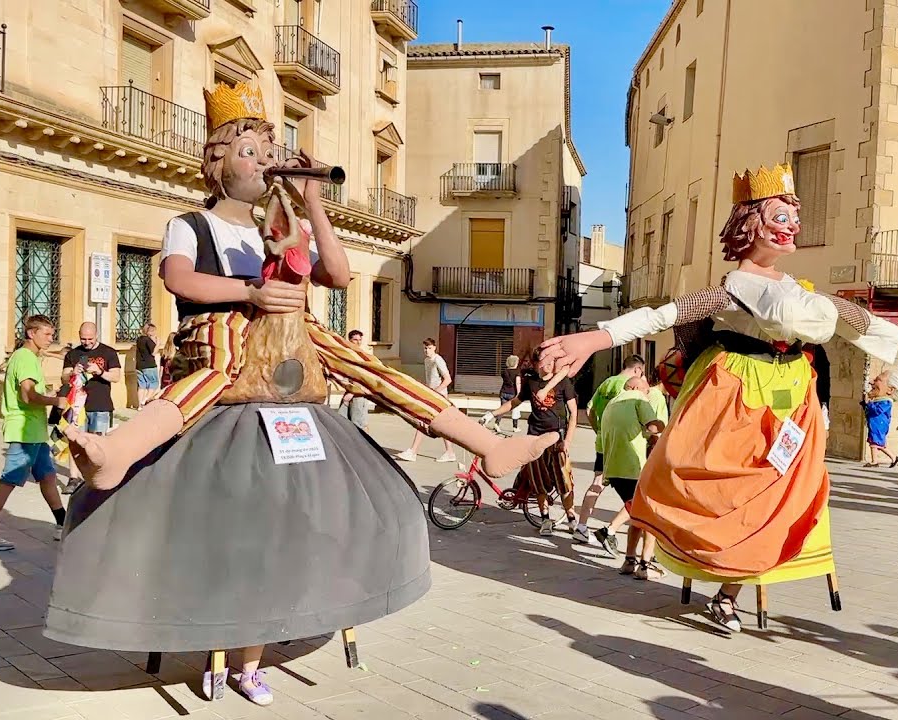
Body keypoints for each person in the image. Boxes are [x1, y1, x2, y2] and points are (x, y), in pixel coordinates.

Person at [47, 80, 553, 707]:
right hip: (221, 334)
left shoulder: (276, 230)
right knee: (224, 361)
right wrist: (249, 295)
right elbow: (179, 279)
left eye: (269, 151)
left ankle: (487, 445)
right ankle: (119, 449)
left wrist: (314, 205)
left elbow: (337, 275)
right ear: (214, 161)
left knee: (364, 365)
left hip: (286, 341)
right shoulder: (191, 224)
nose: (264, 161)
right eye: (250, 152)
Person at [537, 162, 898, 633]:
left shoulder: (800, 291)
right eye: (781, 216)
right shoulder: (730, 291)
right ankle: (700, 566)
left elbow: (852, 318)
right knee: (725, 490)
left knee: (777, 499)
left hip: (793, 399)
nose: (792, 225)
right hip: (735, 395)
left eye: (795, 217)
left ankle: (727, 597)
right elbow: (663, 314)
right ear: (751, 225)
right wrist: (595, 338)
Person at [0, 315, 68, 550]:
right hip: (24, 430)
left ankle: (64, 524)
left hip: (35, 431)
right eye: (47, 334)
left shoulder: (28, 358)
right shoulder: (26, 358)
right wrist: (55, 400)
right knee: (9, 480)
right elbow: (28, 396)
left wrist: (50, 391)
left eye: (52, 334)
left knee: (48, 476)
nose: (52, 339)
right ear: (32, 333)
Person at [485, 347, 579, 536]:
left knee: (565, 482)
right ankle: (545, 519)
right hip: (535, 438)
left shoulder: (562, 382)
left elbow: (574, 412)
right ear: (537, 363)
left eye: (551, 360)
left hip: (557, 439)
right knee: (539, 482)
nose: (549, 364)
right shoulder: (531, 382)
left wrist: (567, 440)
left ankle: (571, 517)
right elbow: (514, 403)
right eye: (545, 360)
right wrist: (491, 414)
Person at [571, 354, 646, 547]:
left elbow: (589, 410)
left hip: (602, 444)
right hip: (623, 446)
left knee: (597, 483)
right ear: (637, 370)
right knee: (637, 495)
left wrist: (599, 430)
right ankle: (615, 532)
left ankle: (581, 527)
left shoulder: (606, 383)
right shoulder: (631, 386)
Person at [596, 376, 666, 579]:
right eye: (646, 390)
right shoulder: (638, 399)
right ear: (635, 387)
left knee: (637, 514)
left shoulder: (613, 403)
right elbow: (654, 427)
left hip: (613, 468)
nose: (648, 394)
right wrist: (665, 427)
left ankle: (629, 561)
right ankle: (644, 566)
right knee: (650, 515)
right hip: (632, 466)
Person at [60, 322, 122, 492]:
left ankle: (98, 479)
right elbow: (64, 377)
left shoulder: (108, 352)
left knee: (99, 444)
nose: (86, 342)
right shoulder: (74, 354)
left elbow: (116, 377)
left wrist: (100, 371)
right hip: (78, 406)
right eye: (83, 338)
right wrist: (73, 371)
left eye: (90, 338)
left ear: (97, 335)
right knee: (75, 441)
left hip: (100, 404)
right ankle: (74, 478)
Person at [395, 338, 457, 463]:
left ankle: (413, 451)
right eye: (425, 348)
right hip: (432, 397)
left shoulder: (438, 360)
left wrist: (436, 392)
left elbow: (447, 379)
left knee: (423, 422)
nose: (427, 350)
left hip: (439, 398)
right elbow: (431, 379)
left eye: (429, 348)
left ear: (434, 347)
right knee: (433, 424)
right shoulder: (427, 361)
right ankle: (449, 452)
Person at [335, 330, 370, 433]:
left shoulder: (362, 357)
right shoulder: (348, 354)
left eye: (360, 340)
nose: (358, 342)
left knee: (359, 424)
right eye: (355, 340)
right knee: (343, 421)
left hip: (358, 394)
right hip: (350, 392)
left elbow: (361, 377)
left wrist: (353, 392)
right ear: (349, 340)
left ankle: (364, 447)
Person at [862, 370, 897, 468]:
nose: (872, 382)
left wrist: (869, 404)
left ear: (890, 390)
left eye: (878, 380)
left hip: (879, 425)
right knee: (879, 444)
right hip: (875, 423)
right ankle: (893, 457)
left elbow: (878, 411)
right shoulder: (878, 400)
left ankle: (874, 461)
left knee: (874, 442)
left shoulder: (886, 402)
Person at [499, 355, 523, 432]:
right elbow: (518, 383)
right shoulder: (517, 372)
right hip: (513, 393)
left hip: (503, 392)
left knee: (502, 409)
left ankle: (496, 424)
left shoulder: (504, 371)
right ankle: (515, 427)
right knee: (515, 410)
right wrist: (519, 394)